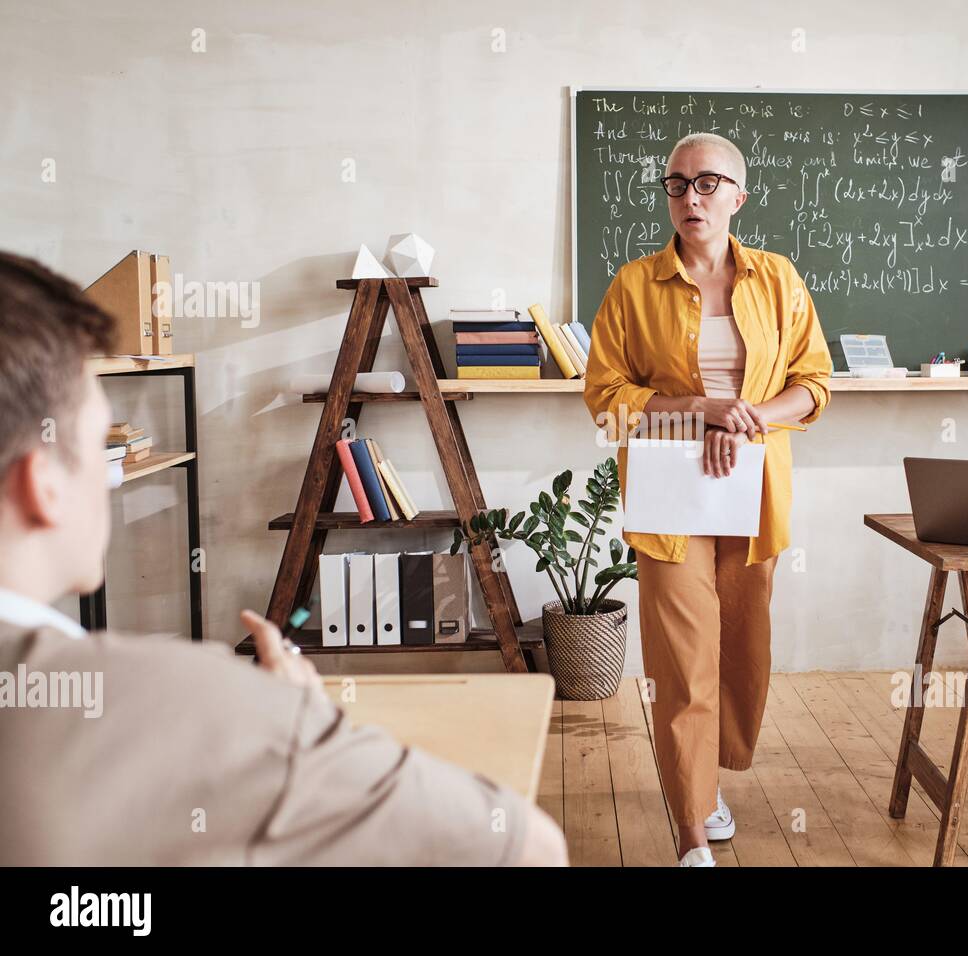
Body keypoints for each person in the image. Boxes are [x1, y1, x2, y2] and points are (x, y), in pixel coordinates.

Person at [0, 251, 568, 866]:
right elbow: (528, 849)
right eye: (101, 448)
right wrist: (303, 730)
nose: (113, 483)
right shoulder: (181, 702)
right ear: (43, 485)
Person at [583, 132, 833, 866]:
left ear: (738, 196)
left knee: (742, 653)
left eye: (707, 183)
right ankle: (692, 833)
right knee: (682, 661)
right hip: (670, 497)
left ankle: (707, 782)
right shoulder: (632, 285)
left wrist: (749, 415)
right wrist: (701, 409)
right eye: (677, 184)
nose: (690, 198)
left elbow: (813, 387)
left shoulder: (780, 279)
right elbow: (606, 402)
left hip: (753, 493)